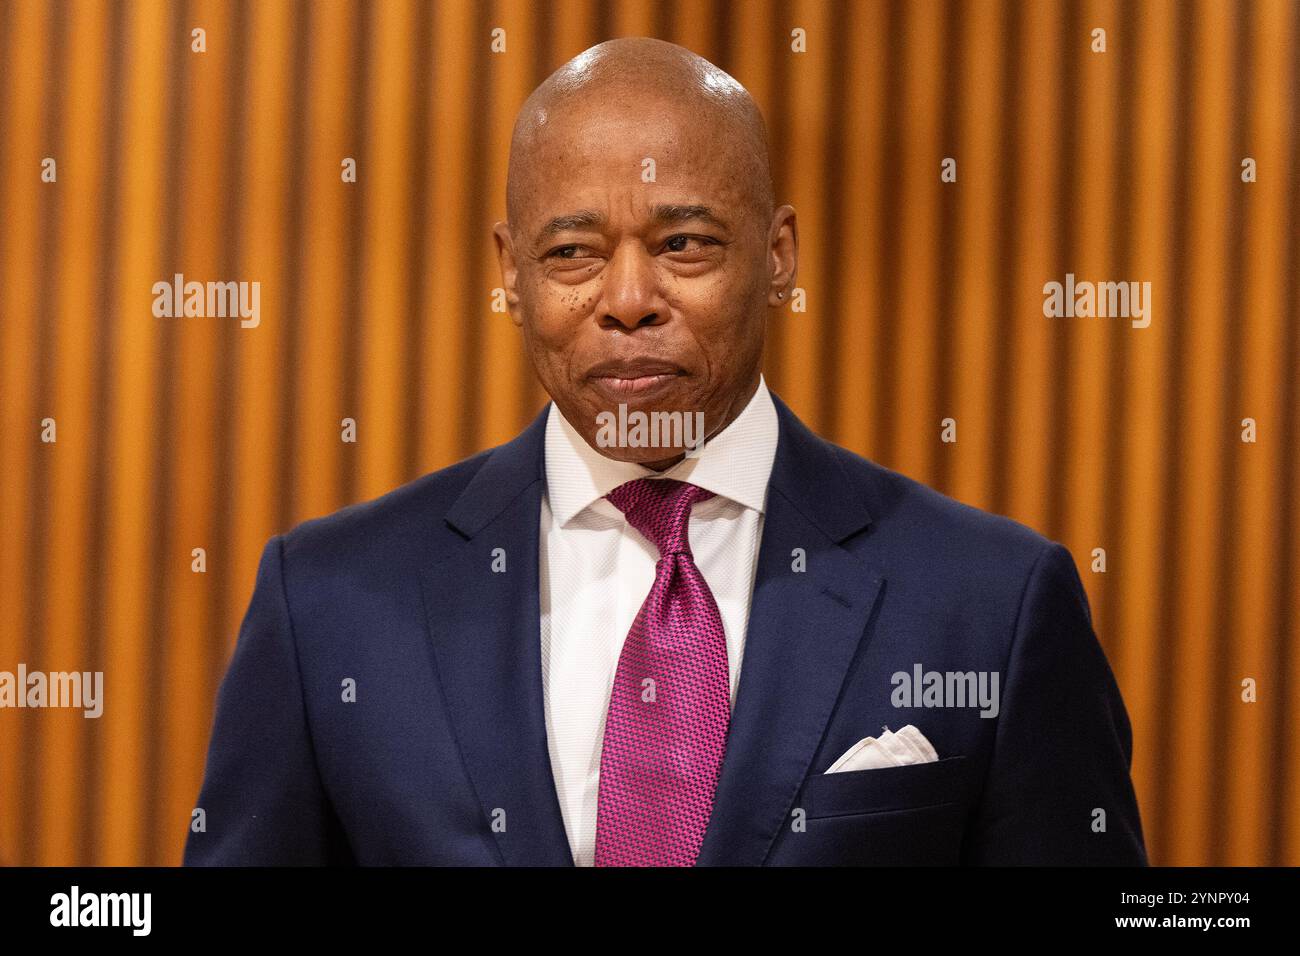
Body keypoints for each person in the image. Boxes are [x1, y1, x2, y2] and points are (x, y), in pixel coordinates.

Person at [184, 37, 1146, 866]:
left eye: (684, 243)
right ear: (508, 272)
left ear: (778, 256)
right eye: (572, 254)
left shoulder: (992, 604)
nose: (629, 296)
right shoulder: (328, 605)